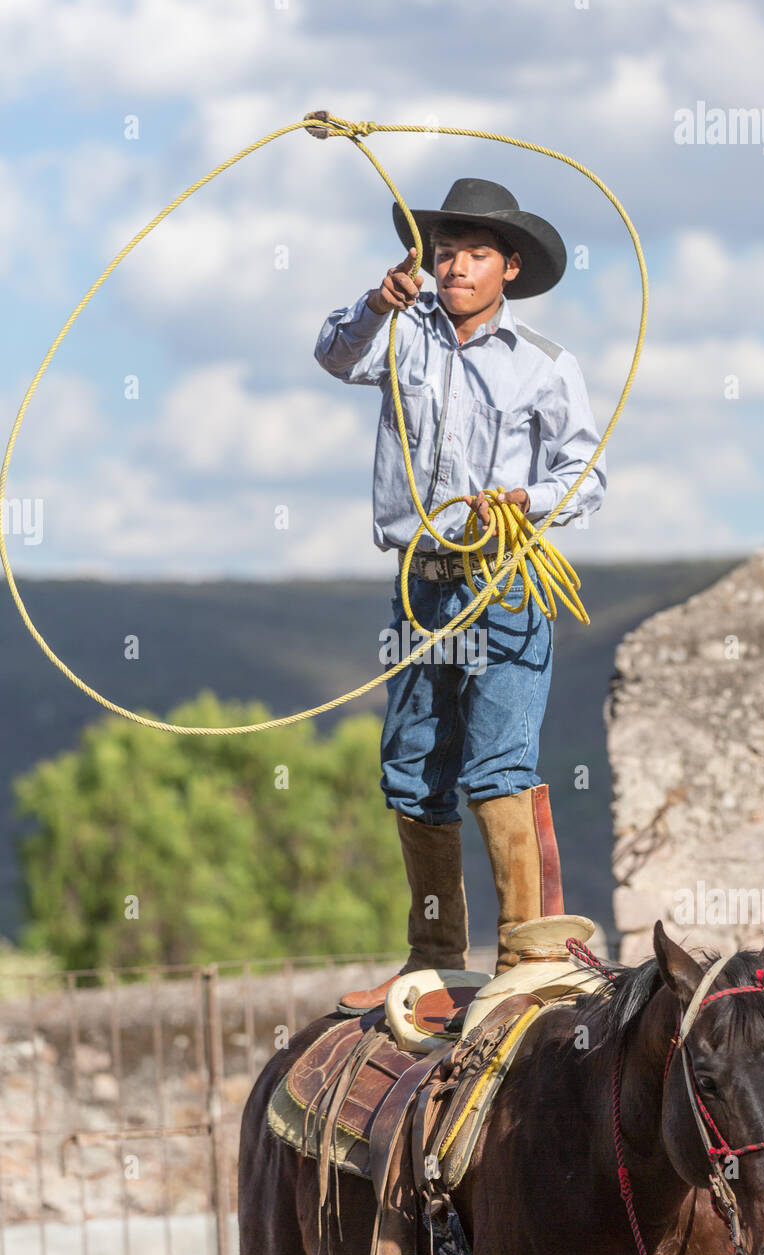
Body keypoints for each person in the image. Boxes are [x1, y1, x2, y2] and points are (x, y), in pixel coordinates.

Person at [313, 178, 606, 1014]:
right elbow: (336, 354)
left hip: (505, 587)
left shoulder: (547, 366)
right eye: (445, 253)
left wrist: (523, 503)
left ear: (508, 267)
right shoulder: (400, 335)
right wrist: (375, 301)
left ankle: (523, 961)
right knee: (411, 771)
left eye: (475, 253)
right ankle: (433, 960)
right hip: (421, 587)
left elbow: (584, 476)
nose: (455, 267)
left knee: (497, 766)